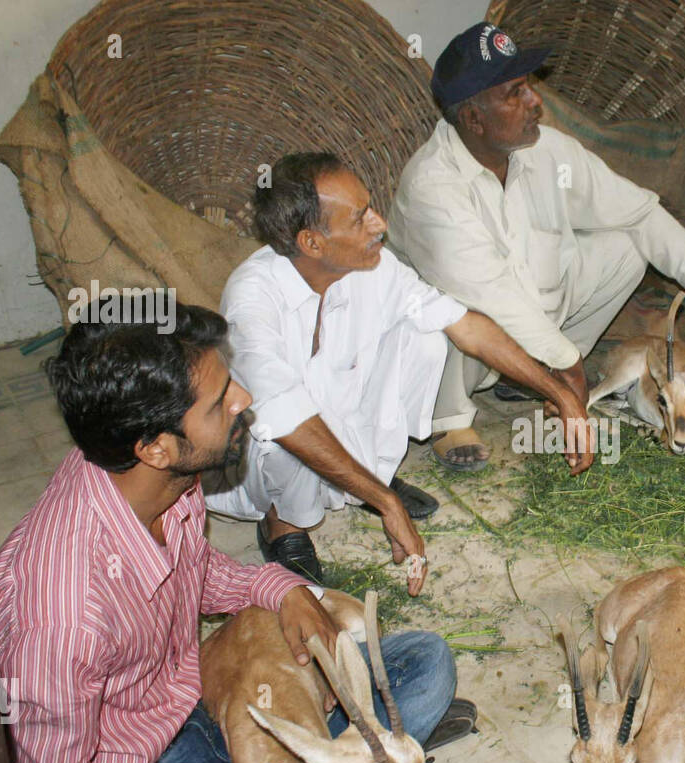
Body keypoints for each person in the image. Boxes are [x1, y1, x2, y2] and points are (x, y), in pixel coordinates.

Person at [0, 300, 469, 763]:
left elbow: (199, 574)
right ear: (154, 445)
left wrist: (283, 590)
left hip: (194, 697)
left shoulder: (166, 480)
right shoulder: (60, 612)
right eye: (219, 401)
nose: (243, 399)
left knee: (427, 664)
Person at [204, 152, 593, 588]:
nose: (379, 224)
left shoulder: (373, 266)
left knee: (426, 339)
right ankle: (283, 525)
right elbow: (285, 416)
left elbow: (467, 327)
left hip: (333, 415)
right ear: (312, 243)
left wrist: (560, 394)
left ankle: (370, 477)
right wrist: (388, 505)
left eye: (370, 207)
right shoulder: (252, 298)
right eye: (359, 219)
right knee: (280, 430)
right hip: (263, 455)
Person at [389, 22, 685, 466]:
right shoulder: (431, 189)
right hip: (464, 343)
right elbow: (497, 300)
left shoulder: (545, 151)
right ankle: (449, 418)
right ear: (474, 119)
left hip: (530, 317)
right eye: (515, 93)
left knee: (627, 245)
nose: (535, 101)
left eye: (528, 85)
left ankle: (531, 374)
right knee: (454, 312)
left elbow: (639, 211)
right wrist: (569, 370)